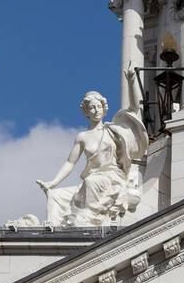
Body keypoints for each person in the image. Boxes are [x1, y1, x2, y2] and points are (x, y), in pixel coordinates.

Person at [36, 90, 144, 227]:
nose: (96, 110)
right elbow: (70, 163)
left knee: (90, 182)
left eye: (99, 107)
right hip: (93, 178)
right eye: (92, 108)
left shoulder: (112, 131)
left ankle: (83, 221)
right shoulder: (82, 137)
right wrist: (53, 183)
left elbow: (134, 109)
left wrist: (131, 81)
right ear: (86, 112)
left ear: (104, 109)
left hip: (111, 177)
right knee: (56, 195)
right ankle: (54, 231)